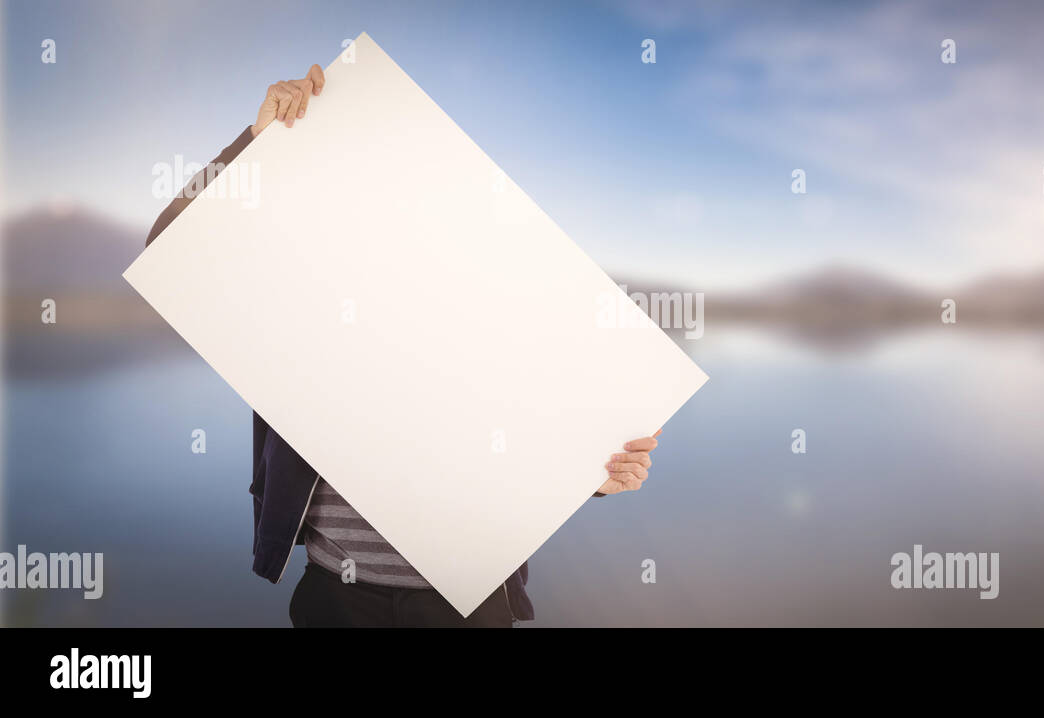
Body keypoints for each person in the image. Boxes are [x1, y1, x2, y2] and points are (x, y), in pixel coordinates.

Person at [145, 64, 663, 628]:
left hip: (471, 599)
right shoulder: (297, 278)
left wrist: (591, 474)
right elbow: (167, 253)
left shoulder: (493, 292)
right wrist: (254, 145)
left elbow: (537, 413)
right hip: (334, 597)